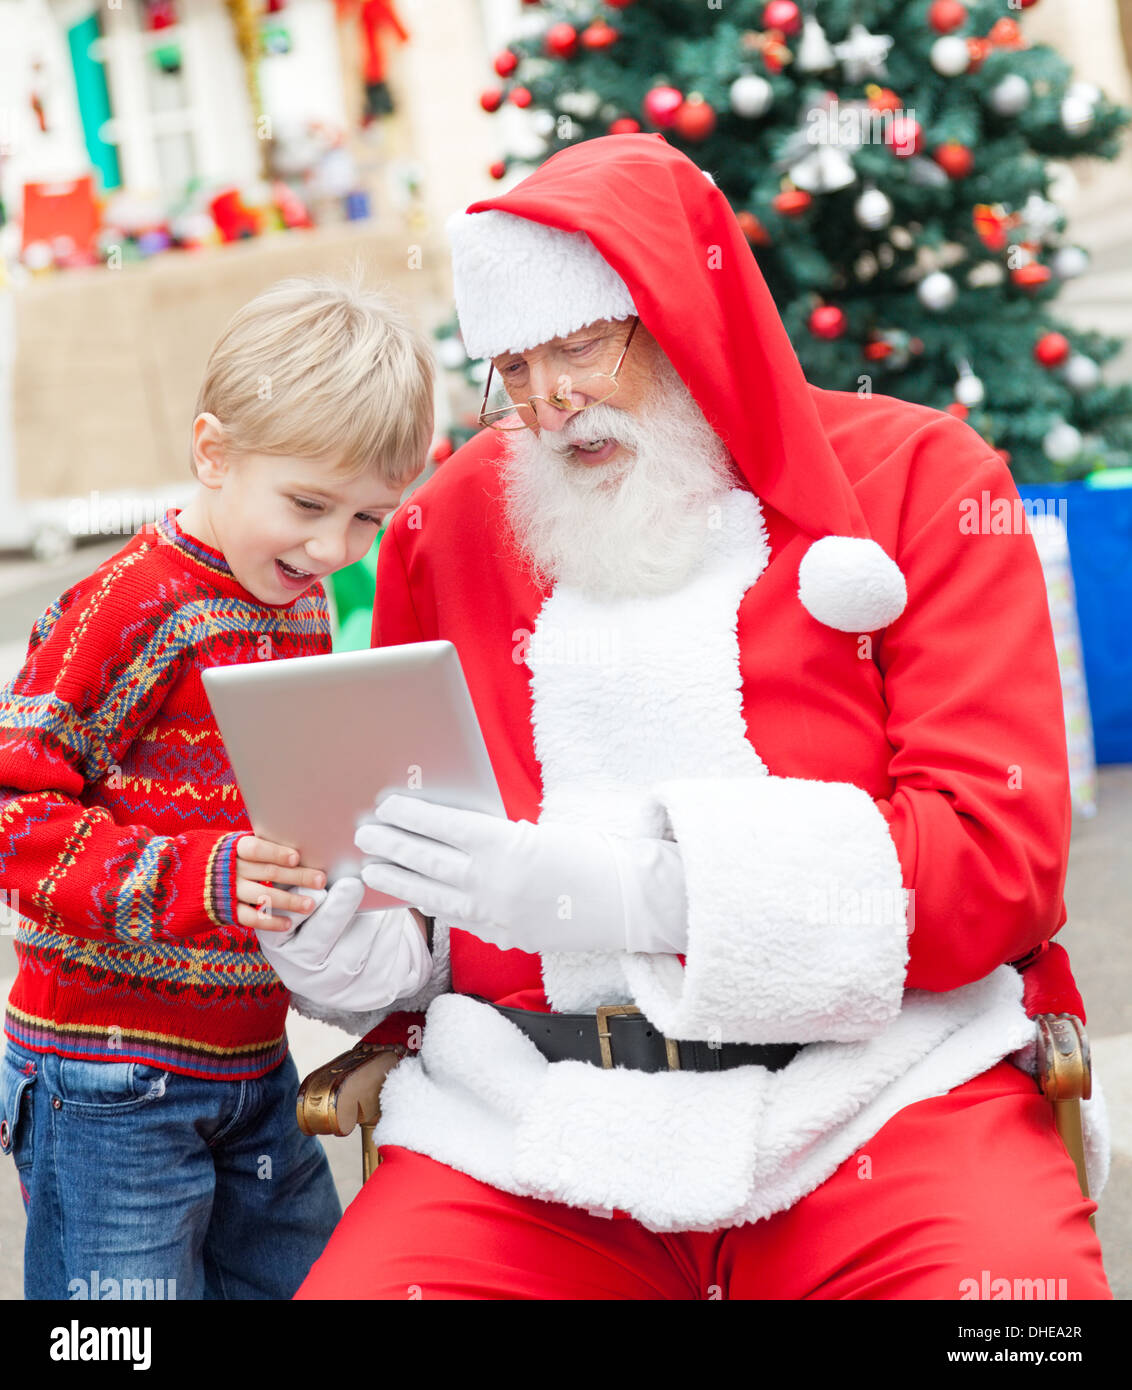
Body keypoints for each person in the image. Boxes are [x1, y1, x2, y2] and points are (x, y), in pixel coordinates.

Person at [284, 135, 1112, 1300]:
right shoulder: (452, 522)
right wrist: (355, 942)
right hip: (530, 1125)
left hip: (878, 1089)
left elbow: (994, 862)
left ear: (684, 315)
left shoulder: (920, 476)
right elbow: (416, 866)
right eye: (510, 368)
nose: (546, 402)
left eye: (579, 345)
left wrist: (634, 894)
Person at [0, 271, 435, 1299]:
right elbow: (14, 809)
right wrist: (202, 879)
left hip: (254, 1065)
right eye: (308, 504)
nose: (334, 549)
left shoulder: (295, 604)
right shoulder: (132, 602)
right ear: (212, 451)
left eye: (370, 519)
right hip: (108, 1080)